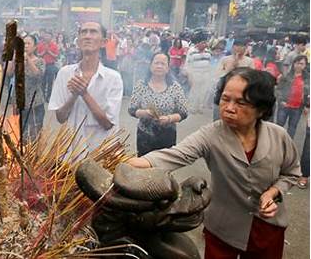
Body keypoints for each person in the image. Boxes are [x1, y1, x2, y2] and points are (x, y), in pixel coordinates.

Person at [127, 67, 301, 259]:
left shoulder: (279, 136)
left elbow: (291, 173)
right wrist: (129, 164)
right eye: (225, 99)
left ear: (261, 109)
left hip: (268, 230)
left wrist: (273, 193)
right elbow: (175, 155)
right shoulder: (211, 135)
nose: (229, 108)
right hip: (223, 228)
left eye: (241, 102)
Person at [48, 21, 123, 154]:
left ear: (104, 42)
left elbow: (108, 124)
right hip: (70, 154)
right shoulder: (65, 73)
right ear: (78, 41)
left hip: (100, 155)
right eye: (84, 32)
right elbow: (60, 118)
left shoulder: (113, 78)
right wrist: (74, 95)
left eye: (93, 32)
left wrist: (84, 94)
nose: (87, 36)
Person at [128, 52, 188, 156]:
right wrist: (144, 113)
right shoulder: (141, 85)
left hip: (167, 135)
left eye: (163, 63)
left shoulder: (175, 87)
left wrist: (169, 118)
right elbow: (132, 109)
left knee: (164, 168)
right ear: (150, 66)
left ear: (168, 68)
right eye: (156, 63)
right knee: (144, 167)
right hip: (145, 136)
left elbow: (183, 112)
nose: (159, 66)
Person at [213, 39, 255, 120]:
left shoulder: (249, 61)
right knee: (218, 117)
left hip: (241, 92)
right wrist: (232, 65)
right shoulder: (225, 59)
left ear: (245, 48)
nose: (239, 49)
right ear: (233, 48)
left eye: (242, 47)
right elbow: (218, 75)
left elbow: (252, 77)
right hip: (223, 89)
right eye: (236, 46)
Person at [276, 55, 309, 138]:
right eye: (297, 63)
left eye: (302, 64)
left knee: (292, 128)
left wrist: (307, 106)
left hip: (298, 108)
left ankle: (288, 145)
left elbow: (308, 93)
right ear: (294, 63)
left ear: (305, 65)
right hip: (284, 106)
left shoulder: (307, 78)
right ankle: (276, 142)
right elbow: (278, 89)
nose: (299, 65)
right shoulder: (286, 75)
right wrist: (281, 101)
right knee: (279, 126)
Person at [185, 31, 212, 114]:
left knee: (203, 92)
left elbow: (209, 63)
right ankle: (192, 107)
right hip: (195, 74)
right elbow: (188, 64)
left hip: (205, 74)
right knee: (194, 91)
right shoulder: (192, 51)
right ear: (198, 43)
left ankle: (199, 107)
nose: (205, 44)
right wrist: (189, 76)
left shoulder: (208, 52)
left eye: (205, 43)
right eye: (203, 43)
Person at [37, 30, 59, 101]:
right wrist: (44, 52)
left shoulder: (54, 45)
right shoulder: (40, 44)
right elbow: (38, 55)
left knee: (50, 82)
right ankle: (42, 96)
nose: (47, 37)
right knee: (42, 81)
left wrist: (49, 51)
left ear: (51, 37)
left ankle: (48, 97)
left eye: (48, 36)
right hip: (42, 65)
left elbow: (56, 56)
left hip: (51, 65)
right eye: (46, 35)